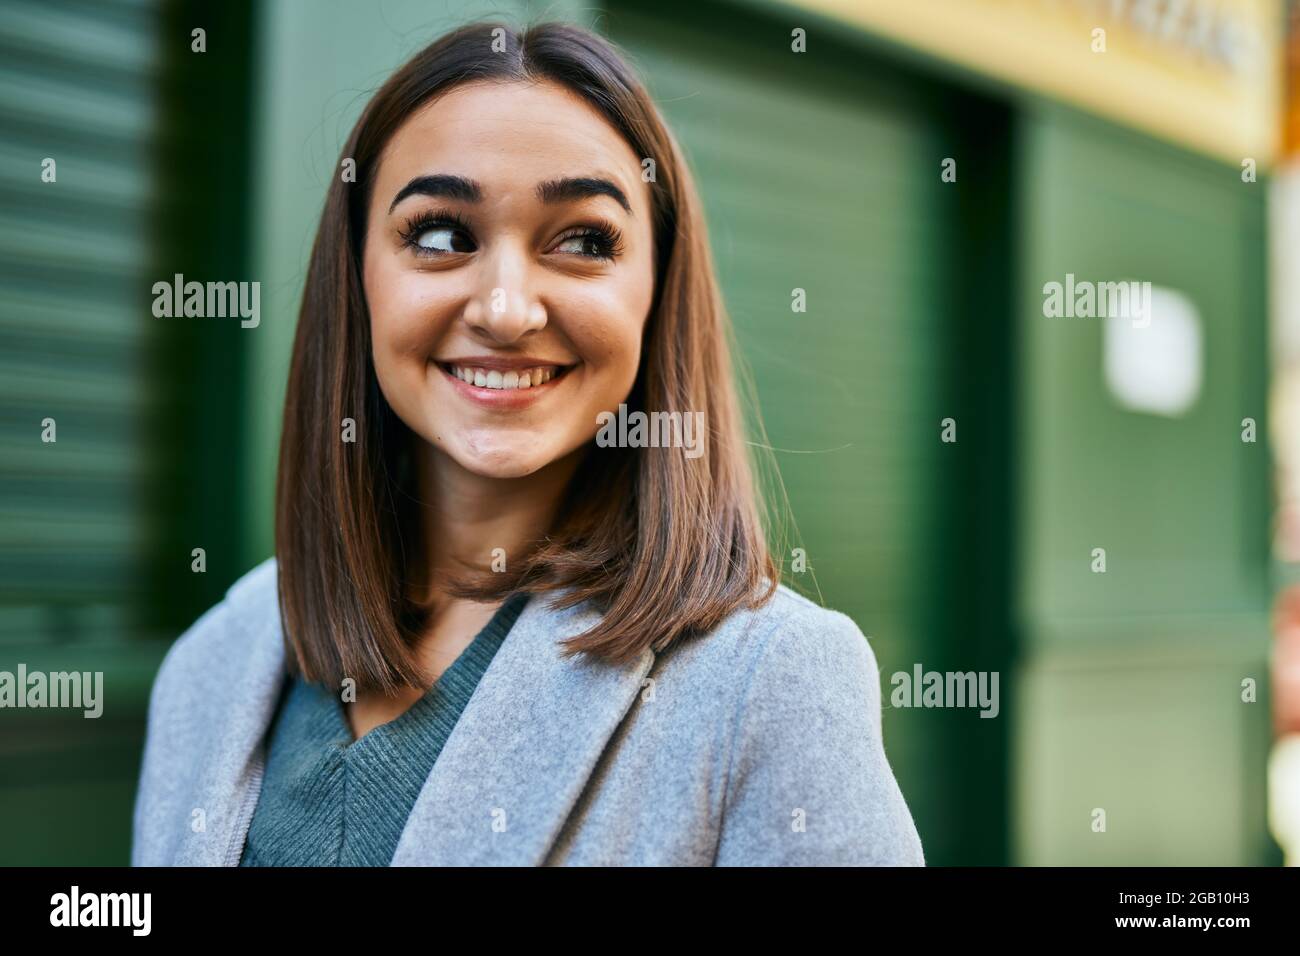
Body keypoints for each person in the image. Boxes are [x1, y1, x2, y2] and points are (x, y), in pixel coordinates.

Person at [130, 20, 924, 866]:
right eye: (440, 235)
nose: (506, 310)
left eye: (584, 241)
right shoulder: (215, 663)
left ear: (658, 290)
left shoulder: (771, 681)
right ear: (355, 275)